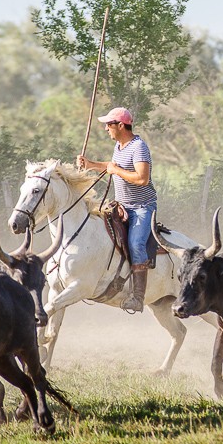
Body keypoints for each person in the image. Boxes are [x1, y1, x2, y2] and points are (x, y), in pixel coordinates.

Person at [77, 106, 157, 313]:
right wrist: (90, 164)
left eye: (109, 125)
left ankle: (138, 297)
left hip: (141, 207)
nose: (106, 129)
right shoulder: (120, 146)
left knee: (136, 243)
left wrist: (116, 170)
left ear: (121, 125)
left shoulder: (139, 147)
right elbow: (111, 165)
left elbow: (142, 178)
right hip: (121, 206)